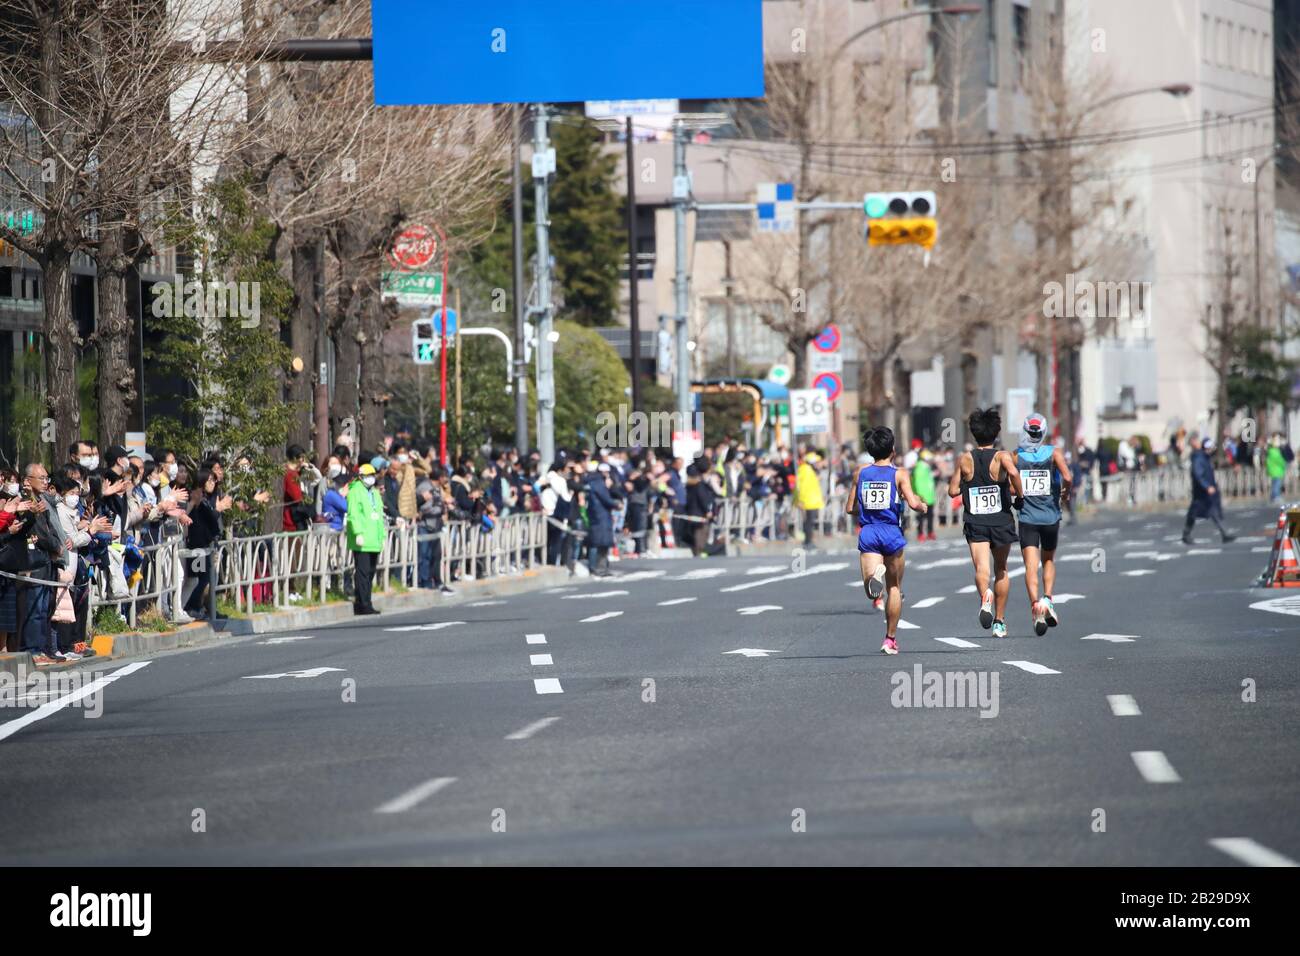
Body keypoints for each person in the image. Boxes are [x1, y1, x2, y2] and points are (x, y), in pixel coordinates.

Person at [847, 426, 928, 655]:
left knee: (872, 591)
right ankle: (890, 639)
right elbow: (913, 503)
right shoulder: (899, 474)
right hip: (891, 532)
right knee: (895, 587)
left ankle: (874, 577)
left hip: (869, 531)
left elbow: (850, 508)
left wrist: (867, 507)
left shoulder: (860, 472)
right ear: (892, 449)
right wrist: (922, 505)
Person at [948, 407, 1023, 638]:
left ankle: (985, 595)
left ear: (974, 433)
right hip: (1001, 519)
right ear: (996, 432)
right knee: (1001, 568)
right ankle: (999, 622)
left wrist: (968, 483)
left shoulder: (965, 459)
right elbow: (1014, 474)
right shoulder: (1002, 457)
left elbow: (952, 491)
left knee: (982, 568)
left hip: (976, 520)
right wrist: (1020, 496)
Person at [1013, 413, 1072, 637]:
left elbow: (1009, 482)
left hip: (1027, 518)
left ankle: (1035, 605)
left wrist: (1017, 492)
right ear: (1044, 431)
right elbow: (1068, 477)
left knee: (1030, 566)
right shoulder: (1054, 453)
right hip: (1050, 517)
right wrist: (1065, 493)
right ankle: (1048, 598)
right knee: (1048, 559)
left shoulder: (1017, 456)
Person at [346, 463, 385, 615]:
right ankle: (363, 604)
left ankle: (365, 601)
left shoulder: (374, 492)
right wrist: (358, 533)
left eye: (372, 475)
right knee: (362, 573)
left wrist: (382, 536)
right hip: (362, 539)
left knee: (370, 573)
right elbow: (353, 514)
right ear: (361, 477)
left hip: (374, 539)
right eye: (368, 475)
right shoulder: (355, 491)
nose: (371, 478)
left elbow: (379, 515)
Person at [1182, 436, 1235, 544]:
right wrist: (1207, 486)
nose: (1211, 449)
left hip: (1205, 491)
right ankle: (1186, 534)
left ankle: (1225, 534)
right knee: (1194, 513)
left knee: (1213, 511)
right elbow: (1198, 475)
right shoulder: (1199, 458)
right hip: (1201, 492)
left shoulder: (1204, 457)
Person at [795, 450, 826, 549]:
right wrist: (800, 500)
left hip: (811, 501)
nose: (818, 464)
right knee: (809, 522)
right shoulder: (806, 470)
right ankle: (807, 542)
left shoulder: (808, 470)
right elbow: (801, 487)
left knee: (810, 522)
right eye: (816, 462)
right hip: (808, 501)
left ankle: (808, 541)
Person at [910, 449, 937, 541]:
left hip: (929, 495)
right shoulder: (919, 468)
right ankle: (921, 533)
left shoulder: (926, 467)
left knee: (930, 515)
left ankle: (930, 532)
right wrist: (920, 495)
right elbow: (918, 483)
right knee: (921, 517)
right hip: (923, 496)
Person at [1266, 433, 1288, 504]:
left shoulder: (1272, 451)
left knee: (1275, 484)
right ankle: (1276, 496)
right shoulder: (1273, 451)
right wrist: (1284, 463)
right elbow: (1279, 460)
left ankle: (1273, 496)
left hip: (1275, 470)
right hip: (1276, 470)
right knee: (1276, 484)